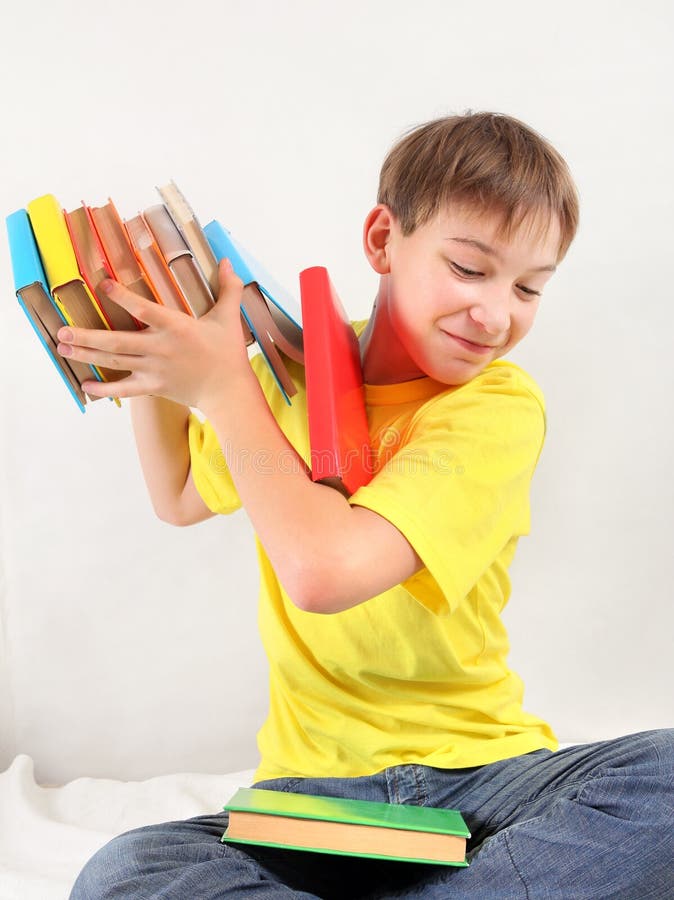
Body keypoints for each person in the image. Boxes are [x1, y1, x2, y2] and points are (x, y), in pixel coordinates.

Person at [64, 112, 672, 899]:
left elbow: (325, 571)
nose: (496, 314)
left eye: (529, 288)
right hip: (308, 802)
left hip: (482, 784)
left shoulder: (496, 407)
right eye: (469, 268)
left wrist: (223, 387)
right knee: (128, 871)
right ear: (384, 240)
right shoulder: (288, 379)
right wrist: (158, 346)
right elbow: (180, 493)